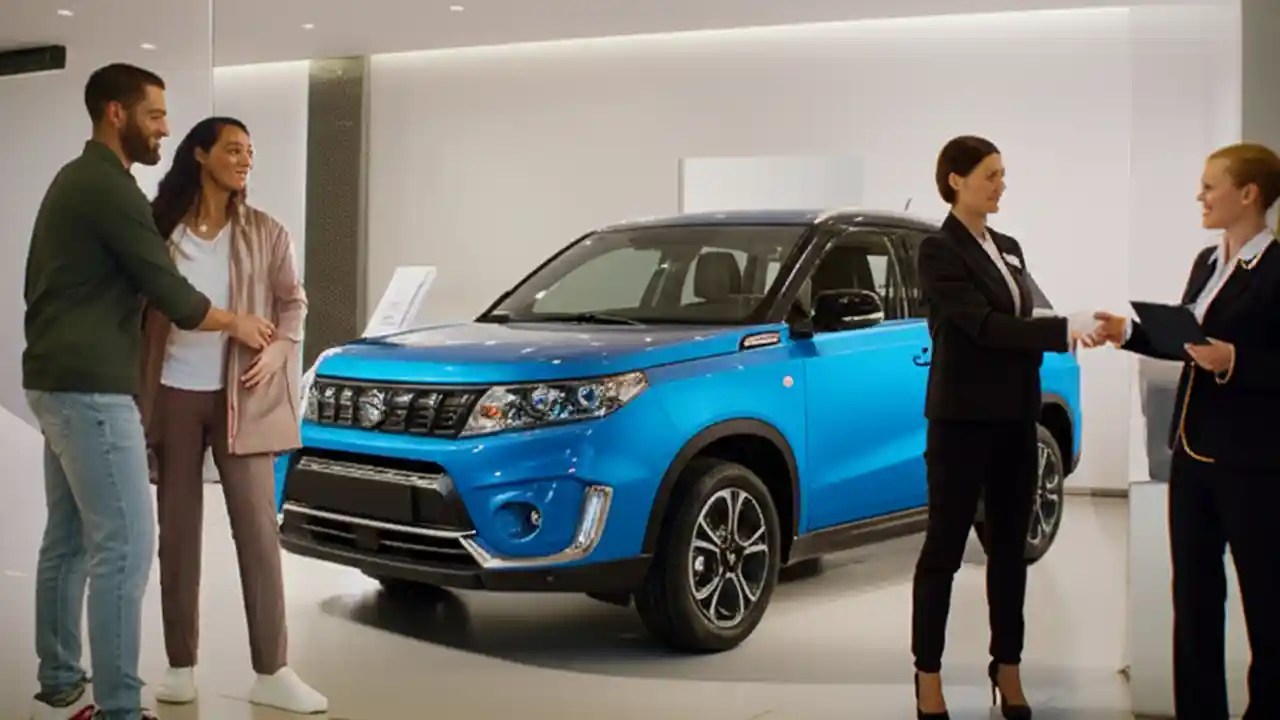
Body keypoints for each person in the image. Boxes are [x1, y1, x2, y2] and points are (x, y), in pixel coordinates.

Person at [23, 64, 275, 720]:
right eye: (156, 115)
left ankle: (58, 683)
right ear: (117, 114)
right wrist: (236, 321)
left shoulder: (74, 181)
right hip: (94, 391)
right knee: (127, 545)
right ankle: (120, 708)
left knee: (71, 537)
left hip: (54, 380)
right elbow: (170, 292)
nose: (165, 127)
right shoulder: (111, 189)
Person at [138, 116, 326, 714]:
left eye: (251, 151)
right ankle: (179, 665)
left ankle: (273, 670)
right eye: (233, 149)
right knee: (178, 537)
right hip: (171, 392)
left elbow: (293, 303)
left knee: (258, 536)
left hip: (241, 397)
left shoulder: (267, 231)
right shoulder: (160, 230)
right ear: (200, 155)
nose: (245, 159)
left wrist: (277, 350)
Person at [1092, 142, 1280, 720]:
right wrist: (1130, 333)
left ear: (1247, 194)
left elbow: (1236, 355)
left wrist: (1237, 361)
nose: (1199, 196)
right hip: (1192, 455)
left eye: (1209, 185)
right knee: (1194, 600)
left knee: (1267, 606)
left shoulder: (1276, 268)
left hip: (1253, 461)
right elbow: (1189, 343)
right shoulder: (1207, 262)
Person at [910, 135, 1096, 720]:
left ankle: (1008, 667)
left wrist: (1060, 326)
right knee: (943, 549)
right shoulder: (937, 251)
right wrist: (1063, 329)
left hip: (1016, 416)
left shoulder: (1009, 247)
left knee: (1011, 552)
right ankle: (928, 675)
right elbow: (983, 326)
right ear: (955, 180)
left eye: (1003, 174)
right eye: (990, 175)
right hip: (962, 421)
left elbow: (1025, 312)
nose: (1001, 184)